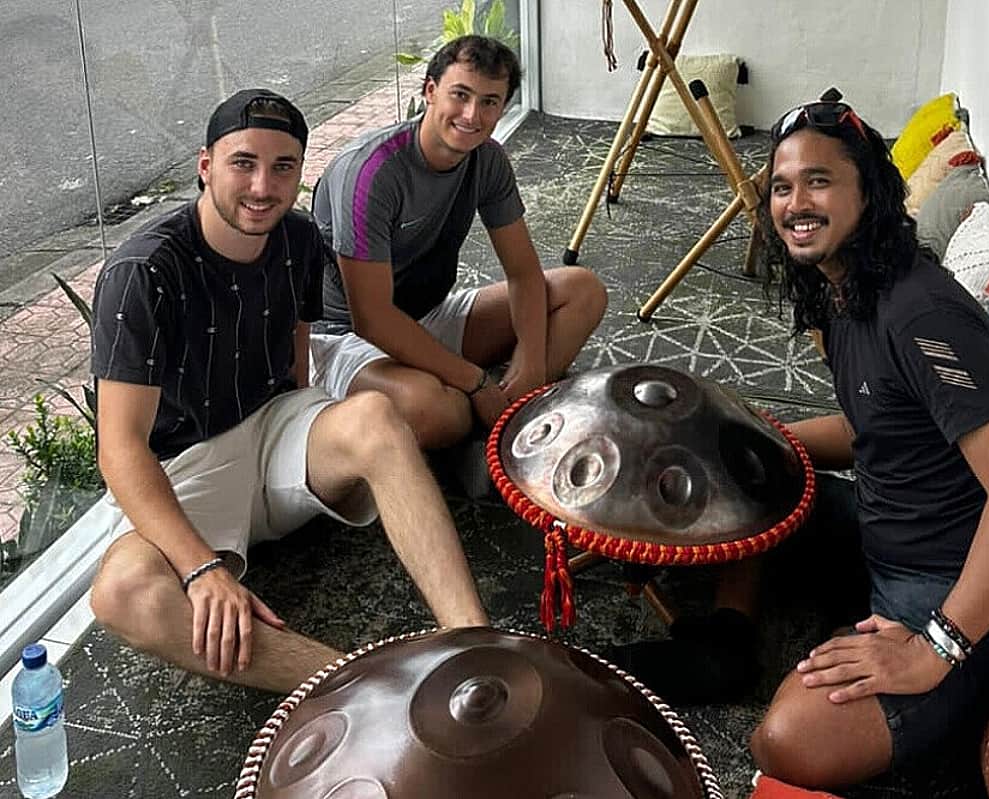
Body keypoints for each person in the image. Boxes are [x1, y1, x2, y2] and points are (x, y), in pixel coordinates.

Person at [611, 90, 989, 789]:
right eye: (783, 186)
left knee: (787, 739)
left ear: (871, 194)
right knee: (744, 471)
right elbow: (874, 426)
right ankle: (728, 643)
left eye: (820, 181)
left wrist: (934, 645)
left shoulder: (922, 312)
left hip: (963, 587)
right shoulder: (844, 290)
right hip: (885, 529)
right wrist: (743, 439)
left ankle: (945, 713)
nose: (796, 202)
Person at [87, 89, 489, 695]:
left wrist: (323, 443)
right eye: (243, 163)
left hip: (274, 427)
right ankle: (364, 687)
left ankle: (477, 646)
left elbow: (298, 363)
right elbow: (119, 449)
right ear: (205, 166)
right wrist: (200, 569)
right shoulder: (143, 273)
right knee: (123, 592)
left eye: (283, 167)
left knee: (376, 417)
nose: (262, 186)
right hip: (187, 465)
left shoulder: (299, 238)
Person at [309, 35, 607, 452]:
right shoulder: (370, 173)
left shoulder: (488, 160)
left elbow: (523, 273)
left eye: (489, 102)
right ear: (430, 91)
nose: (472, 115)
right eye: (460, 95)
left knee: (583, 291)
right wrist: (475, 381)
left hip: (427, 313)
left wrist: (532, 359)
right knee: (433, 410)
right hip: (347, 339)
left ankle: (502, 414)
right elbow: (371, 319)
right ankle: (493, 419)